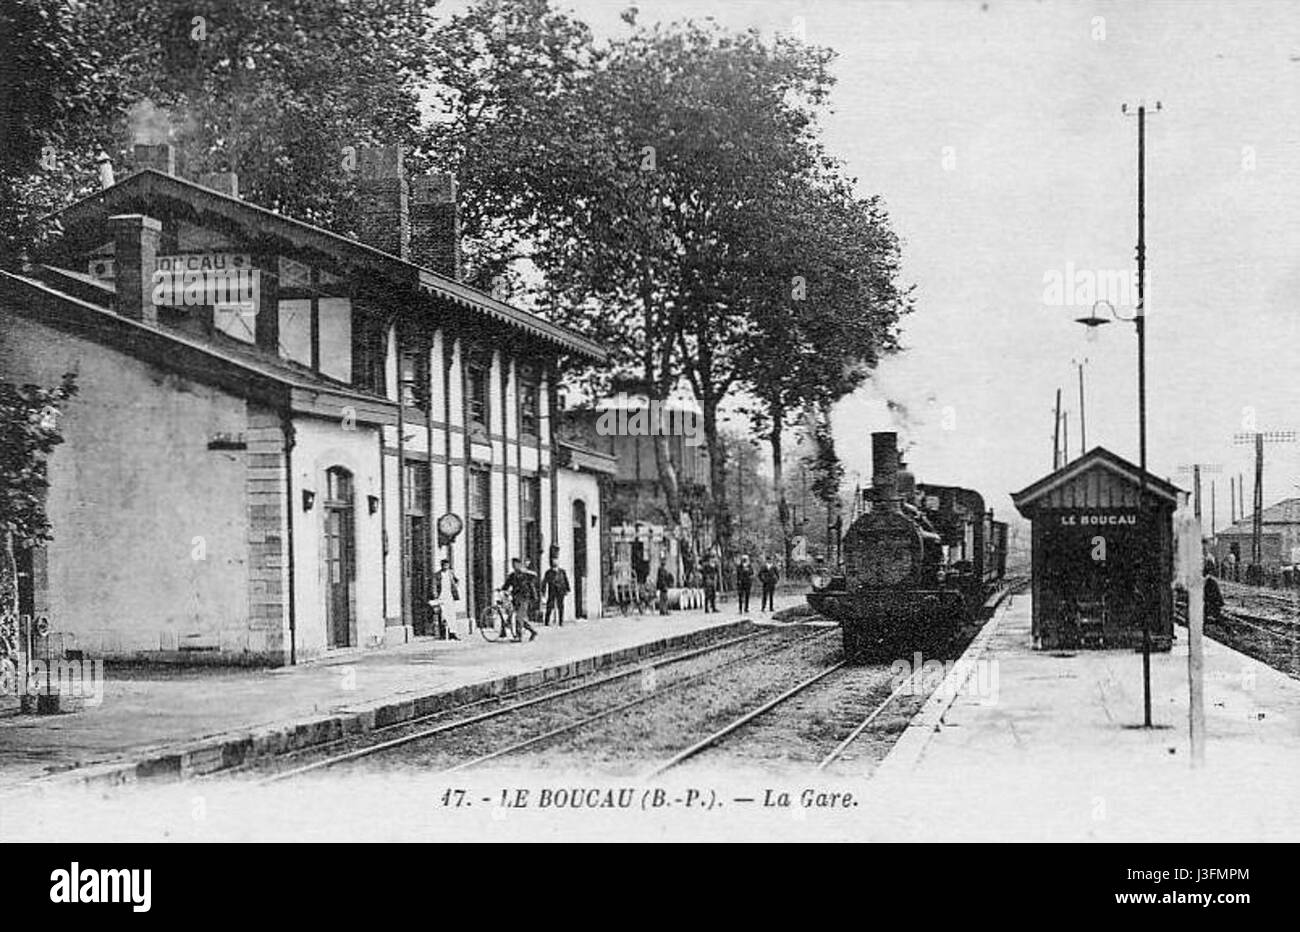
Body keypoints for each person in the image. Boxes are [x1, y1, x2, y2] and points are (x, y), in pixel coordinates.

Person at [501, 558, 539, 641]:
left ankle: (519, 636)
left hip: (524, 598)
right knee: (520, 617)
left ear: (519, 564)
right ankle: (533, 631)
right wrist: (502, 589)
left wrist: (525, 571)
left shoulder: (525, 574)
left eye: (516, 564)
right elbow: (506, 585)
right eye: (513, 564)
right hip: (515, 598)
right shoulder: (512, 575)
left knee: (518, 617)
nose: (514, 566)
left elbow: (534, 577)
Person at [429, 558, 460, 640]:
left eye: (447, 564)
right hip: (441, 596)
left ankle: (453, 633)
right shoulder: (437, 575)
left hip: (449, 596)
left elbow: (456, 580)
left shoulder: (451, 573)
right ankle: (443, 634)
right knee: (443, 615)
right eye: (444, 565)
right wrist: (435, 594)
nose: (445, 566)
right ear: (441, 565)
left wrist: (455, 588)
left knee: (451, 615)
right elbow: (434, 585)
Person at [542, 557, 571, 627]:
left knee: (561, 606)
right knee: (549, 606)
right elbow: (544, 582)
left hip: (561, 591)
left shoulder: (562, 571)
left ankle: (561, 622)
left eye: (556, 562)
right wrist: (543, 590)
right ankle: (547, 621)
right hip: (552, 591)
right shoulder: (548, 572)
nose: (555, 563)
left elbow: (566, 580)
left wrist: (567, 589)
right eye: (554, 562)